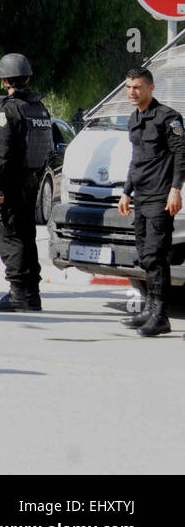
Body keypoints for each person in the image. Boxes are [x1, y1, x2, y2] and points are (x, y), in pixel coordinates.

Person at [117, 67, 184, 337]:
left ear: (151, 88)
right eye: (129, 87)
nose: (132, 92)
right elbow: (136, 160)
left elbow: (181, 155)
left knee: (156, 255)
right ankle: (149, 308)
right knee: (145, 255)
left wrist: (175, 190)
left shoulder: (168, 117)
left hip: (161, 196)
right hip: (142, 197)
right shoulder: (134, 118)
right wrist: (126, 191)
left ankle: (160, 315)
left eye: (138, 87)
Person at [0, 53, 52, 311]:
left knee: (11, 237)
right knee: (26, 236)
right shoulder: (40, 109)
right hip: (32, 179)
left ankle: (17, 295)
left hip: (11, 181)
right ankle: (31, 294)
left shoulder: (9, 109)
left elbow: (1, 153)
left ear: (4, 80)